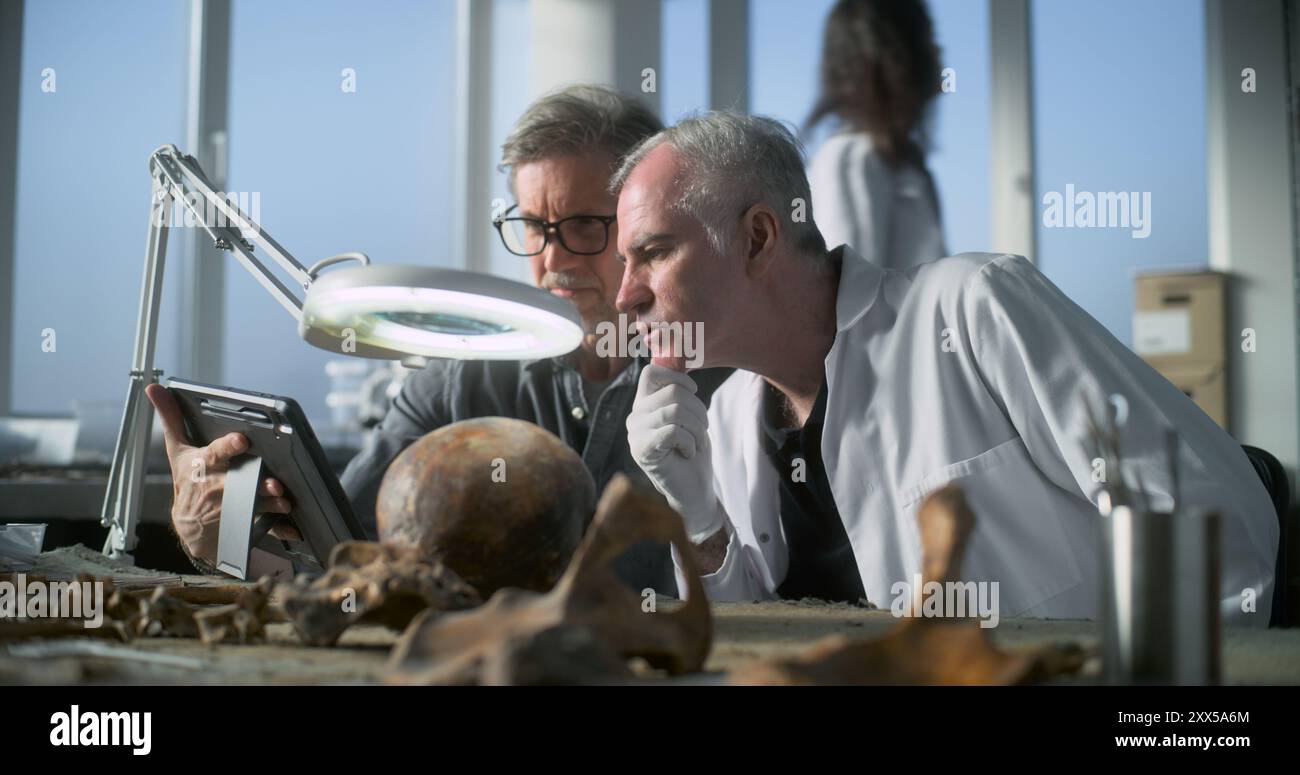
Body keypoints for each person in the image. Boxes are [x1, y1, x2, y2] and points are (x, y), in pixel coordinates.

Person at [610, 111, 1277, 623]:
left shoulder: (975, 306)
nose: (625, 294)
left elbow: (1216, 523)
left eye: (654, 253)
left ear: (758, 238)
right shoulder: (724, 419)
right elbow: (756, 643)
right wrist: (698, 519)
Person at [146, 85, 728, 593]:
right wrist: (213, 541)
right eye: (533, 225)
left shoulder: (719, 379)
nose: (552, 259)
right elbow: (341, 565)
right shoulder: (465, 373)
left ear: (642, 227)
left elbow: (773, 585)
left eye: (584, 226)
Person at [806, 0, 945, 270]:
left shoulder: (904, 163)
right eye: (929, 37)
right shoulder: (851, 158)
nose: (939, 50)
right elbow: (853, 299)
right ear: (897, 59)